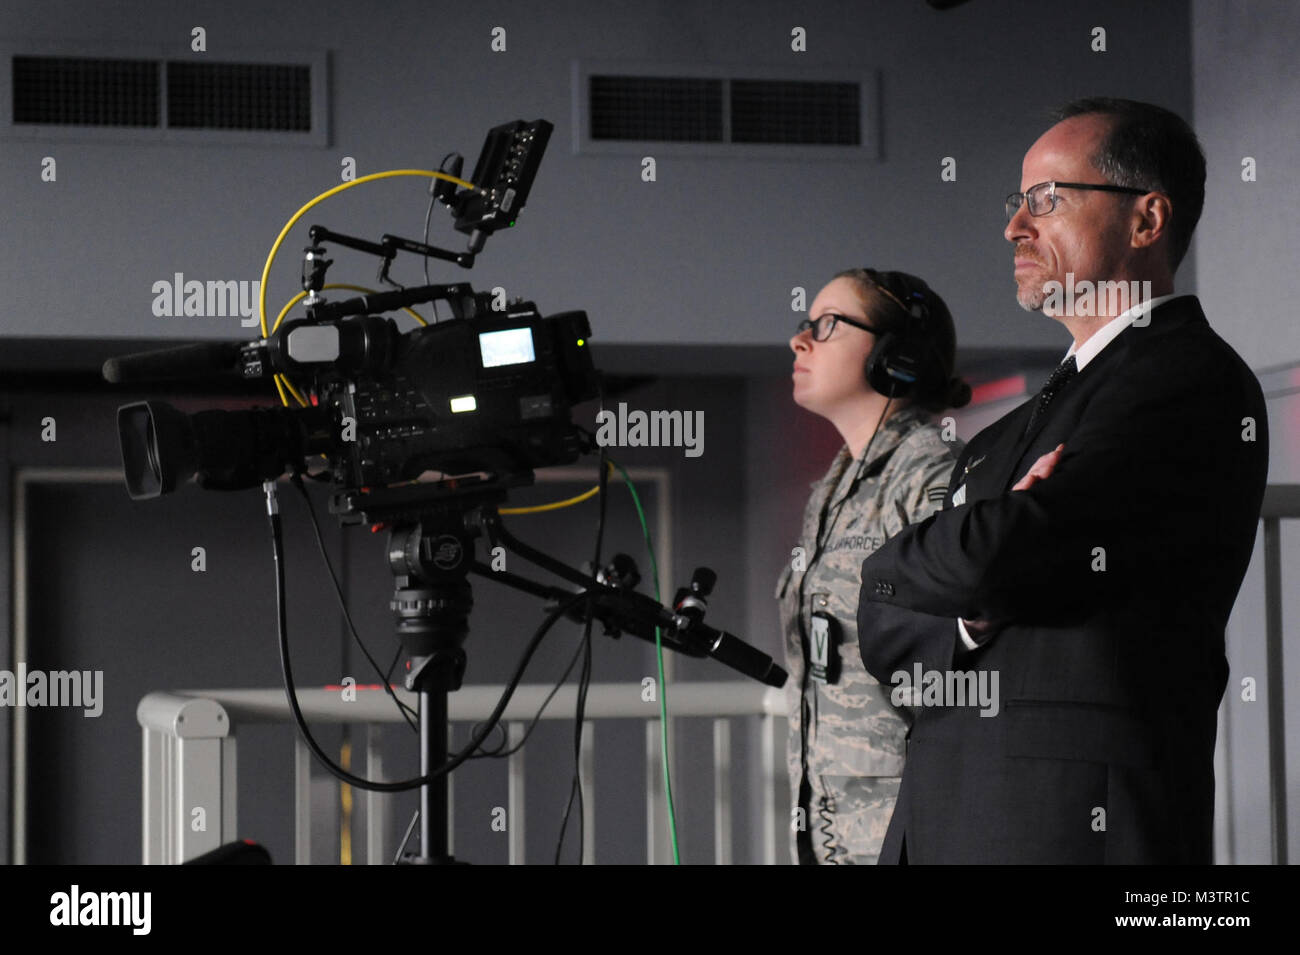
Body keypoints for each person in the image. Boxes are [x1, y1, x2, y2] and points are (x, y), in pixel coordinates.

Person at [857, 98, 1269, 864]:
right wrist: (969, 611)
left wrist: (959, 566)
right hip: (942, 824)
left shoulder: (1185, 376)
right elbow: (882, 617)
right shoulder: (1001, 438)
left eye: (1047, 200)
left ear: (1146, 220)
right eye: (1018, 203)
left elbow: (1000, 553)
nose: (1015, 226)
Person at [776, 267, 970, 864]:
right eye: (805, 324)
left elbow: (965, 642)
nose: (799, 340)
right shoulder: (836, 487)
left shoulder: (931, 473)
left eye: (827, 325)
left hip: (906, 826)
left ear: (895, 356)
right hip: (828, 820)